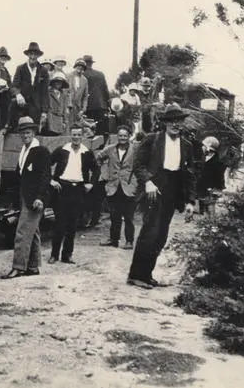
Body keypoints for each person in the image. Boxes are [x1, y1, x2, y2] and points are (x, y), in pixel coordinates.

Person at [127, 103, 197, 289]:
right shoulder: (152, 140)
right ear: (165, 123)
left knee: (161, 235)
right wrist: (148, 182)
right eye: (172, 121)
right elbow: (138, 165)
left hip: (173, 191)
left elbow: (189, 174)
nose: (176, 125)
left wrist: (190, 201)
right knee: (150, 232)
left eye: (179, 121)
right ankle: (135, 275)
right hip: (154, 189)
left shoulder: (187, 145)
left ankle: (147, 274)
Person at [2, 116, 52, 279]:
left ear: (34, 133)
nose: (25, 136)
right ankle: (33, 266)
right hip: (25, 196)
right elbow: (20, 176)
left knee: (22, 232)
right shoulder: (24, 151)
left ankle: (18, 267)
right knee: (33, 231)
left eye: (28, 132)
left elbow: (45, 177)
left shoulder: (41, 151)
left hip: (34, 200)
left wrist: (40, 198)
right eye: (22, 133)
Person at [48, 124, 96, 264]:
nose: (76, 137)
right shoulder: (62, 150)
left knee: (73, 224)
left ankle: (67, 255)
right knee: (59, 224)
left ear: (82, 136)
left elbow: (96, 169)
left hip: (78, 190)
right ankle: (54, 255)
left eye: (78, 135)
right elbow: (47, 164)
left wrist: (91, 183)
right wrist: (51, 181)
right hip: (62, 189)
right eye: (73, 134)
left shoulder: (87, 152)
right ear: (70, 135)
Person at [96, 125, 138, 248]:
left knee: (129, 217)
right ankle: (114, 240)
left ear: (129, 136)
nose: (122, 138)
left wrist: (136, 179)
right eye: (120, 135)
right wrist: (105, 173)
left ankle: (129, 241)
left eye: (125, 135)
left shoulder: (135, 149)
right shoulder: (110, 149)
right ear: (117, 136)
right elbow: (98, 158)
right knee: (115, 215)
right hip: (113, 186)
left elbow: (142, 163)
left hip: (129, 186)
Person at [4, 42, 49, 132]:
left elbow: (45, 93)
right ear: (28, 55)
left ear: (38, 56)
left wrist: (44, 111)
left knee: (35, 130)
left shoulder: (43, 70)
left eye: (35, 54)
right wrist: (18, 94)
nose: (33, 56)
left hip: (35, 105)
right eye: (31, 54)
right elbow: (14, 86)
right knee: (13, 105)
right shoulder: (20, 68)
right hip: (22, 102)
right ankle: (7, 127)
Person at [197, 136, 226, 216]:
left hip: (211, 189)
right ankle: (206, 225)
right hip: (202, 189)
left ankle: (212, 226)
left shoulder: (217, 163)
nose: (202, 147)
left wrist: (218, 189)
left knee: (211, 209)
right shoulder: (203, 159)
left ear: (209, 148)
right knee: (205, 211)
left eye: (204, 146)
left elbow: (220, 177)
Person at [82, 54, 110, 135]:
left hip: (88, 106)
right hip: (102, 106)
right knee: (101, 130)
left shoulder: (83, 75)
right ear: (91, 63)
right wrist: (107, 105)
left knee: (89, 130)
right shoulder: (100, 74)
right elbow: (105, 90)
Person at [44, 71, 69, 136]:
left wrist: (64, 121)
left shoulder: (63, 94)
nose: (58, 83)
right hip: (50, 118)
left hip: (59, 120)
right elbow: (45, 105)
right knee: (50, 134)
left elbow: (64, 109)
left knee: (58, 137)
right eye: (57, 81)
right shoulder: (48, 92)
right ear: (53, 82)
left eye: (60, 82)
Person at [67, 58, 89, 130]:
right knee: (67, 125)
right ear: (75, 66)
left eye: (82, 67)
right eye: (78, 66)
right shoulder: (68, 76)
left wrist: (83, 109)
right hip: (68, 106)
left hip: (78, 108)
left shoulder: (85, 80)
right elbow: (64, 92)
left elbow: (85, 96)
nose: (80, 68)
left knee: (77, 127)